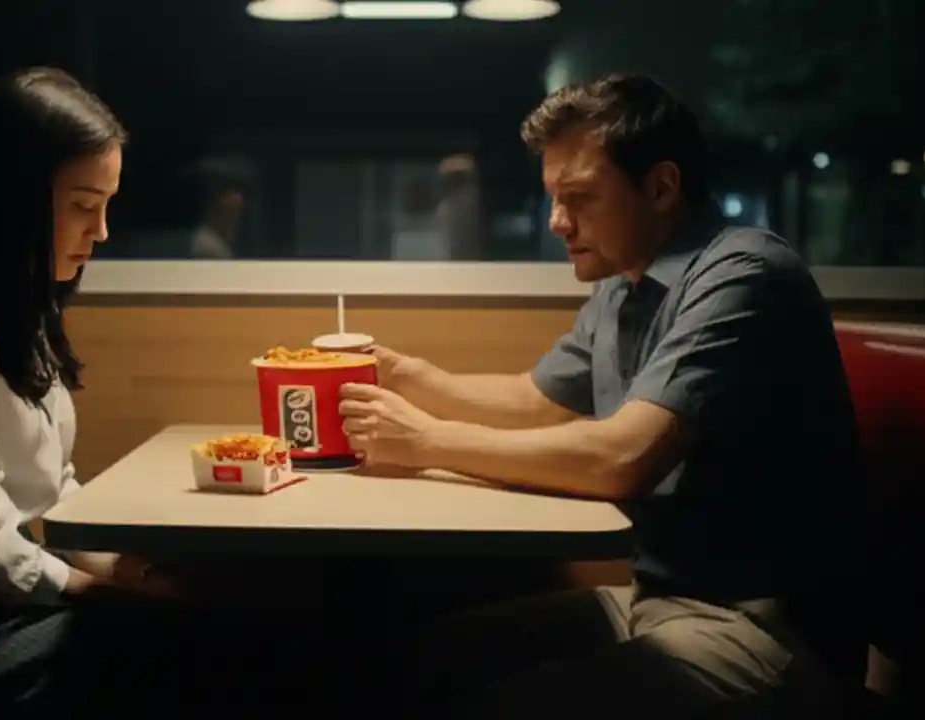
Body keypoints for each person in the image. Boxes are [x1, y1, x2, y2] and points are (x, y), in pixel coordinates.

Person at [339, 74, 865, 717]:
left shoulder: (743, 276)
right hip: (656, 599)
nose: (557, 222)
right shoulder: (624, 285)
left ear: (661, 188)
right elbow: (538, 400)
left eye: (580, 198)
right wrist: (406, 375)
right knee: (431, 658)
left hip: (762, 630)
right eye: (553, 199)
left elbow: (621, 457)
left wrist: (427, 441)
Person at [0, 67, 299, 714]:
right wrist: (118, 595)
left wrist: (129, 571)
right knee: (220, 651)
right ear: (12, 199)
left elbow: (56, 493)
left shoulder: (16, 315)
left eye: (106, 205)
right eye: (84, 206)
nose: (102, 231)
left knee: (243, 615)